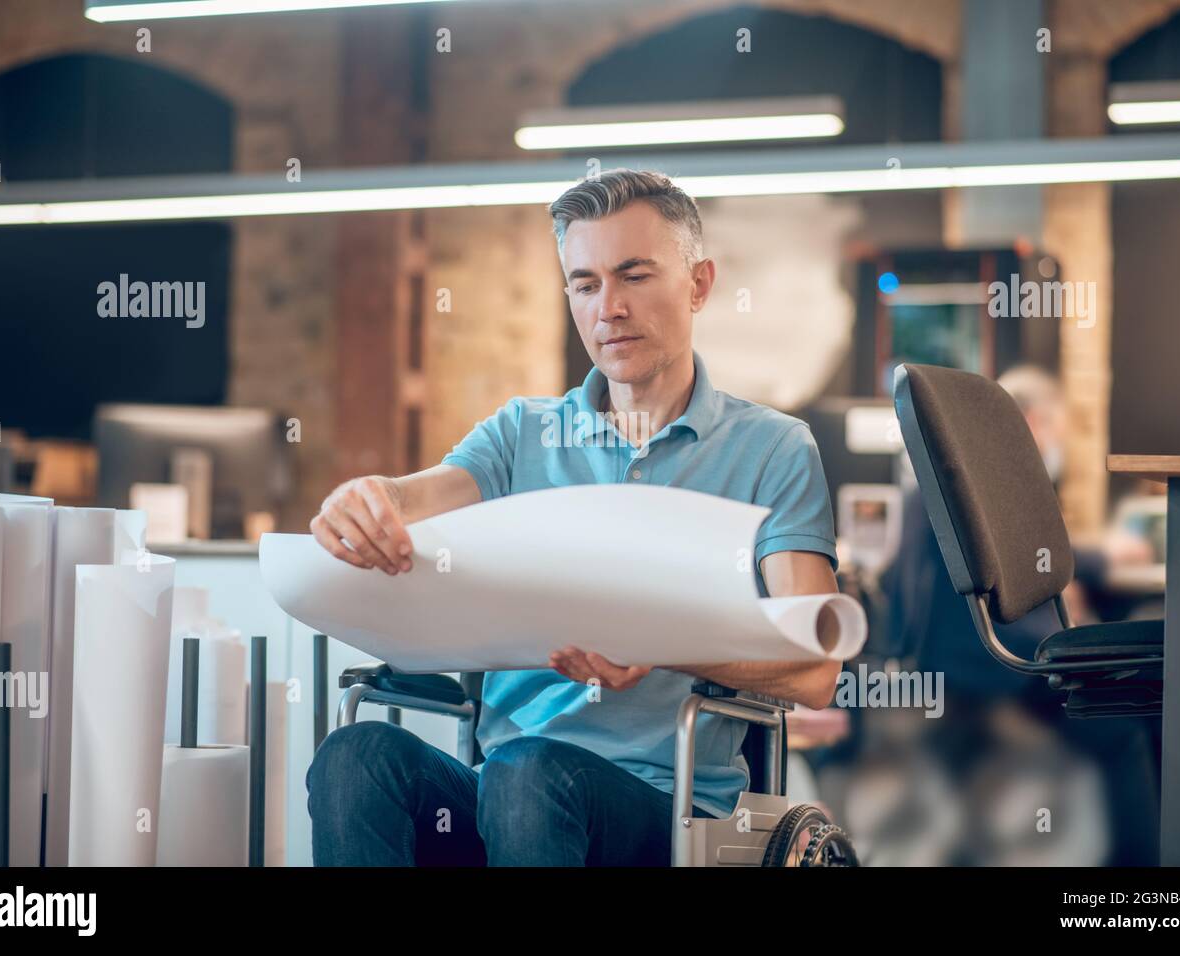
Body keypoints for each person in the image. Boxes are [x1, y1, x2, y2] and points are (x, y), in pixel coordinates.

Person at [305, 169, 842, 866]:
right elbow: (418, 496)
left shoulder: (772, 447)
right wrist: (369, 497)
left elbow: (816, 669)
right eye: (586, 285)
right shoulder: (522, 433)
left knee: (531, 772)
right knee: (358, 753)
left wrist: (659, 643)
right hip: (499, 790)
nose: (608, 308)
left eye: (635, 276)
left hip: (666, 805)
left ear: (700, 284)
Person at [882, 364, 1162, 865]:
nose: (1054, 444)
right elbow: (1032, 558)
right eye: (1054, 428)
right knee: (1130, 718)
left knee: (1139, 696)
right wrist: (1099, 559)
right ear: (1029, 422)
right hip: (993, 667)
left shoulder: (945, 476)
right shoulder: (990, 479)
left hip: (939, 667)